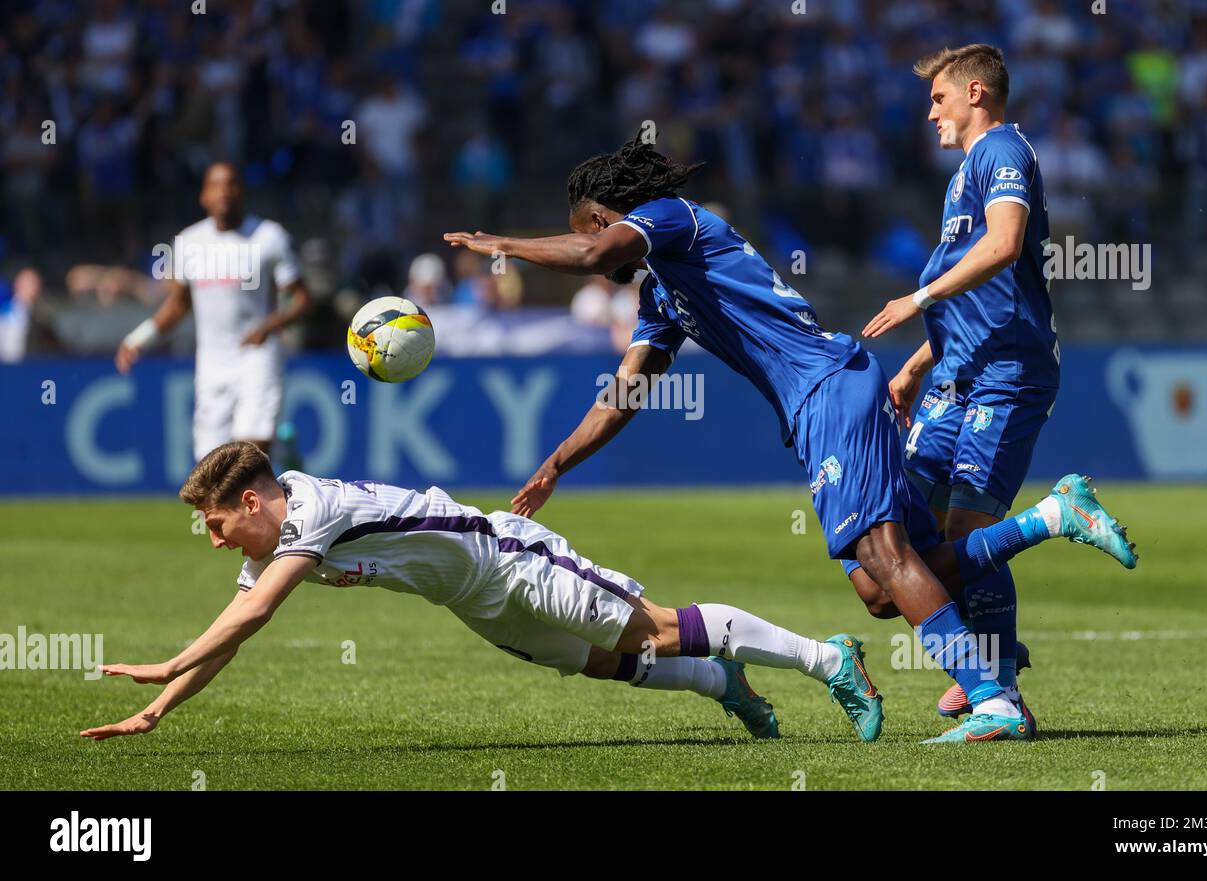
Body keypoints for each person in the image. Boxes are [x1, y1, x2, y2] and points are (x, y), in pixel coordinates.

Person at [443, 137, 1136, 743]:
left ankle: (992, 699)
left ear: (603, 216)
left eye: (586, 229)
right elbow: (623, 394)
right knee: (881, 587)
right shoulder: (661, 294)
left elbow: (595, 253)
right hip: (819, 405)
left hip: (828, 388)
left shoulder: (673, 217)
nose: (595, 253)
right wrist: (555, 464)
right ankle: (1053, 517)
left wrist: (505, 245)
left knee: (886, 557)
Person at [80, 441, 895, 744]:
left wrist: (167, 662)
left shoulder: (311, 512)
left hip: (503, 557)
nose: (215, 538)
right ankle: (726, 683)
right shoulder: (276, 535)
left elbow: (254, 612)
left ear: (253, 501)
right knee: (597, 663)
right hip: (470, 598)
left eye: (218, 523)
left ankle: (829, 659)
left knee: (651, 630)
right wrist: (161, 706)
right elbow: (239, 624)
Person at [857, 44, 1060, 728]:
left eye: (938, 98)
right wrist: (918, 364)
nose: (930, 113)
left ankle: (997, 685)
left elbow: (1004, 245)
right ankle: (989, 654)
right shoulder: (964, 175)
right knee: (904, 530)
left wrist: (917, 299)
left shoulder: (1002, 151)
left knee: (968, 527)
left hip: (1006, 373)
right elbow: (972, 298)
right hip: (955, 375)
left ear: (975, 93)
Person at [114, 162, 312, 459]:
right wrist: (138, 338)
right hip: (212, 364)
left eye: (231, 184)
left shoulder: (269, 237)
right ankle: (286, 450)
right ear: (203, 196)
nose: (224, 192)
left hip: (257, 357)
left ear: (242, 191)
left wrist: (269, 327)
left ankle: (276, 451)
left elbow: (302, 299)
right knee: (211, 464)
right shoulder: (189, 243)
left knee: (250, 455)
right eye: (216, 185)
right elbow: (179, 305)